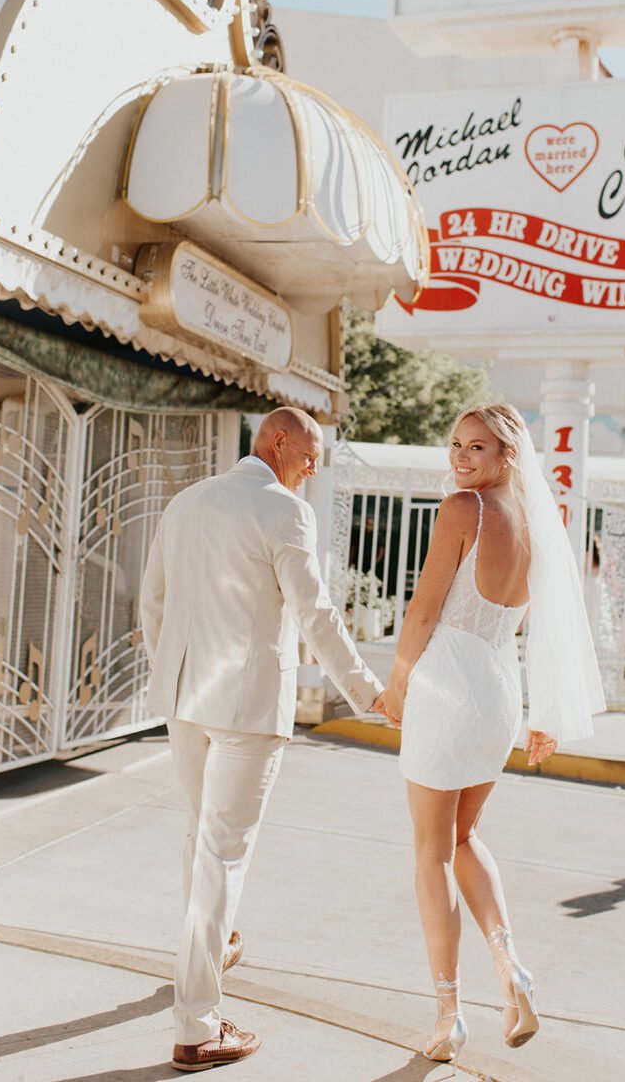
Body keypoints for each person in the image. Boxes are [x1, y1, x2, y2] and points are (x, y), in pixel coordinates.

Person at [140, 407, 386, 1073]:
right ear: (278, 441)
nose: (315, 467)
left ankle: (212, 949)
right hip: (245, 706)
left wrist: (172, 668)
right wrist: (368, 692)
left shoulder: (188, 500)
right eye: (311, 453)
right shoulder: (281, 509)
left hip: (185, 697)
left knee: (201, 839)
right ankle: (196, 1027)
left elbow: (152, 601)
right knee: (220, 855)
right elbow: (313, 611)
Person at [381, 403, 604, 1065]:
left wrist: (395, 684)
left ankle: (448, 1013)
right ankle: (512, 974)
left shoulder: (461, 511)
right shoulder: (537, 523)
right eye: (454, 445)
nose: (459, 459)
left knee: (431, 851)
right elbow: (551, 627)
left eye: (476, 448)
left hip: (448, 682)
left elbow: (423, 609)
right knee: (463, 836)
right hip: (498, 689)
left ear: (509, 455)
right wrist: (543, 715)